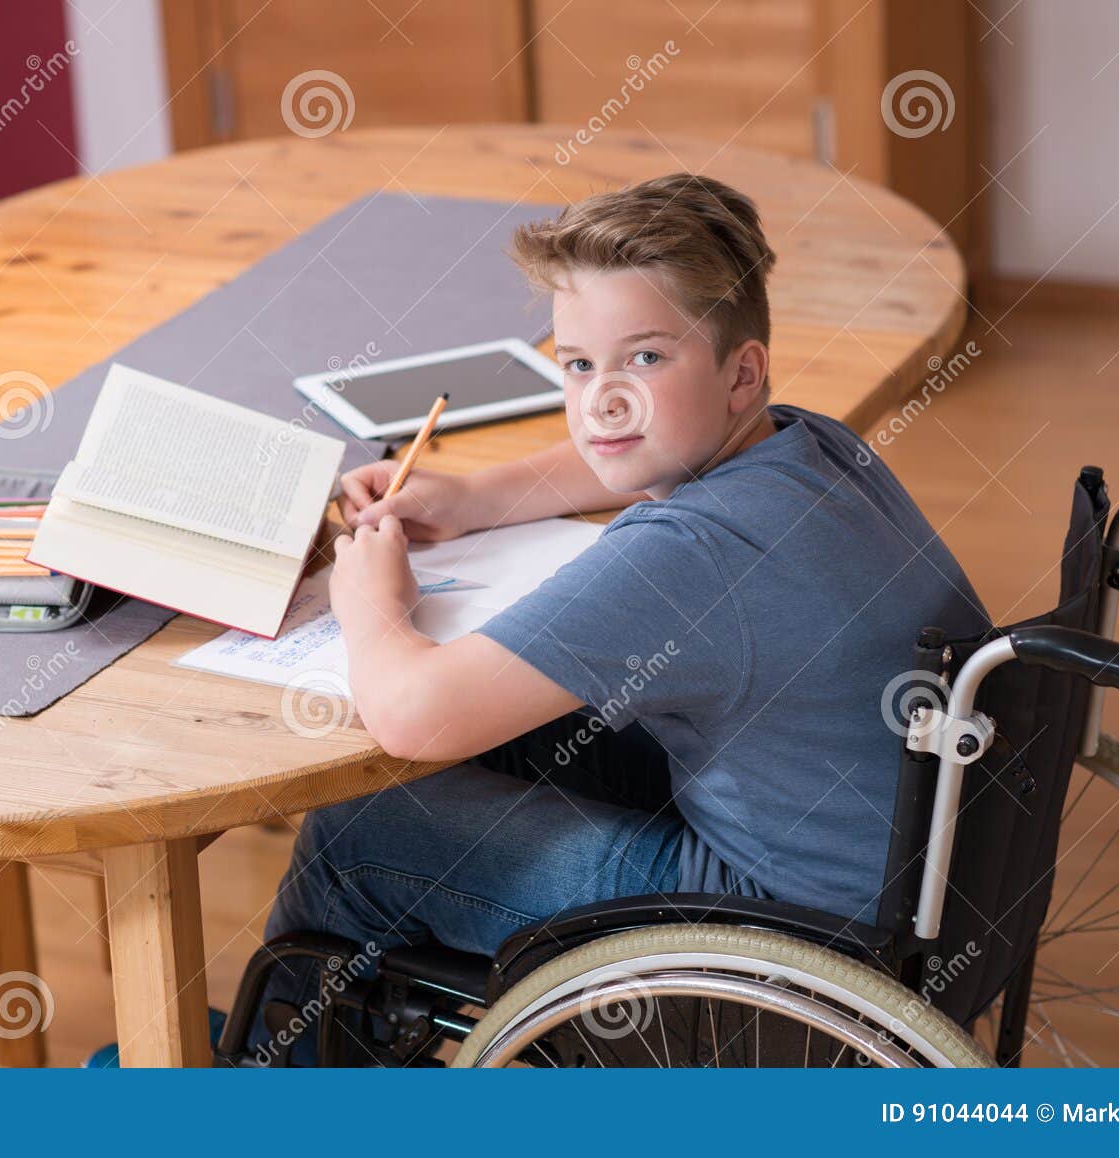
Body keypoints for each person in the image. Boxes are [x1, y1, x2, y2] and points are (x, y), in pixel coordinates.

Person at [252, 172, 990, 1064]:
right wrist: (478, 495)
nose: (602, 399)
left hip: (790, 953)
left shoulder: (696, 553)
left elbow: (413, 714)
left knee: (357, 833)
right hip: (918, 900)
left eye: (645, 358)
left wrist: (373, 606)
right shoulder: (811, 444)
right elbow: (620, 450)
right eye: (578, 363)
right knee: (522, 734)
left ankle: (270, 1079)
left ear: (740, 372)